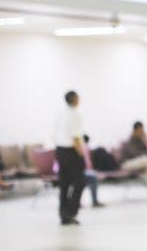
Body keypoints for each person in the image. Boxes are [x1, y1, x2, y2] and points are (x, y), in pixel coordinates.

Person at [54, 90, 86, 225]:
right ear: (74, 99)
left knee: (64, 183)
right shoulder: (75, 114)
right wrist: (81, 154)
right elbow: (75, 137)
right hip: (71, 151)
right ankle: (71, 212)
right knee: (80, 182)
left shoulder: (61, 113)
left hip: (59, 150)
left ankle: (63, 213)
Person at [121, 122, 147, 201]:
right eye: (140, 129)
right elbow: (133, 153)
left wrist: (145, 139)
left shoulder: (141, 139)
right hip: (128, 163)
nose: (142, 131)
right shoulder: (131, 140)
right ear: (135, 129)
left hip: (142, 162)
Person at [82, 135, 104, 208]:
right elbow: (88, 164)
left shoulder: (84, 148)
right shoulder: (84, 148)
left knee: (92, 177)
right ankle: (94, 201)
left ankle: (94, 201)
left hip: (85, 171)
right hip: (83, 171)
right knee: (92, 178)